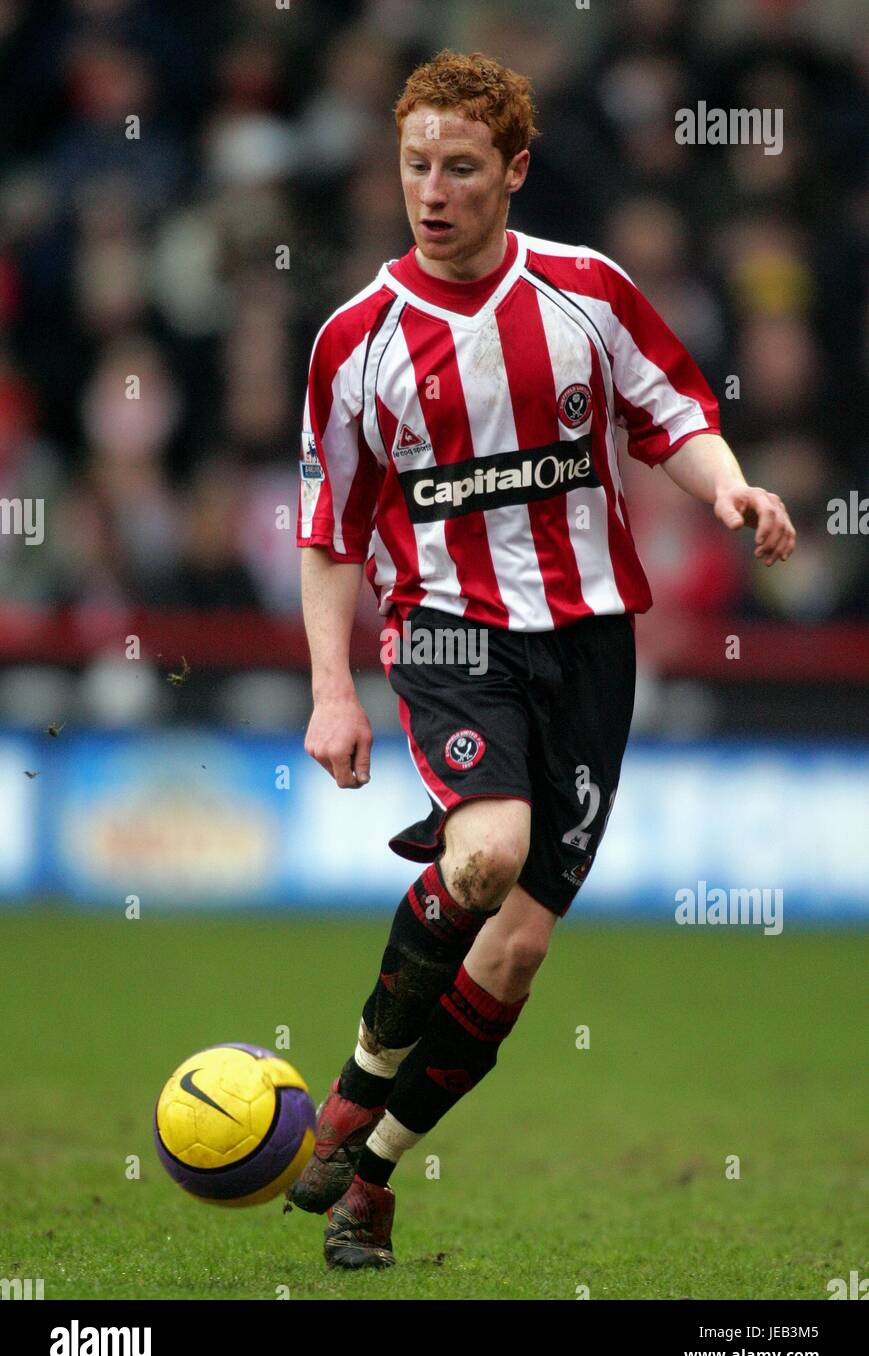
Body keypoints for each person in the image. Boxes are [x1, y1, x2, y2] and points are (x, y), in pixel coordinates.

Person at [290, 50, 796, 1269]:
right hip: (450, 631)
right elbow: (329, 531)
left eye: (459, 167)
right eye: (415, 164)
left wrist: (730, 489)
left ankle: (370, 1172)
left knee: (515, 946)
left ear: (512, 170)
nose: (432, 190)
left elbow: (673, 418)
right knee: (487, 857)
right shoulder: (356, 343)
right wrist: (329, 691)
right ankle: (353, 1088)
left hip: (588, 643)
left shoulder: (586, 295)